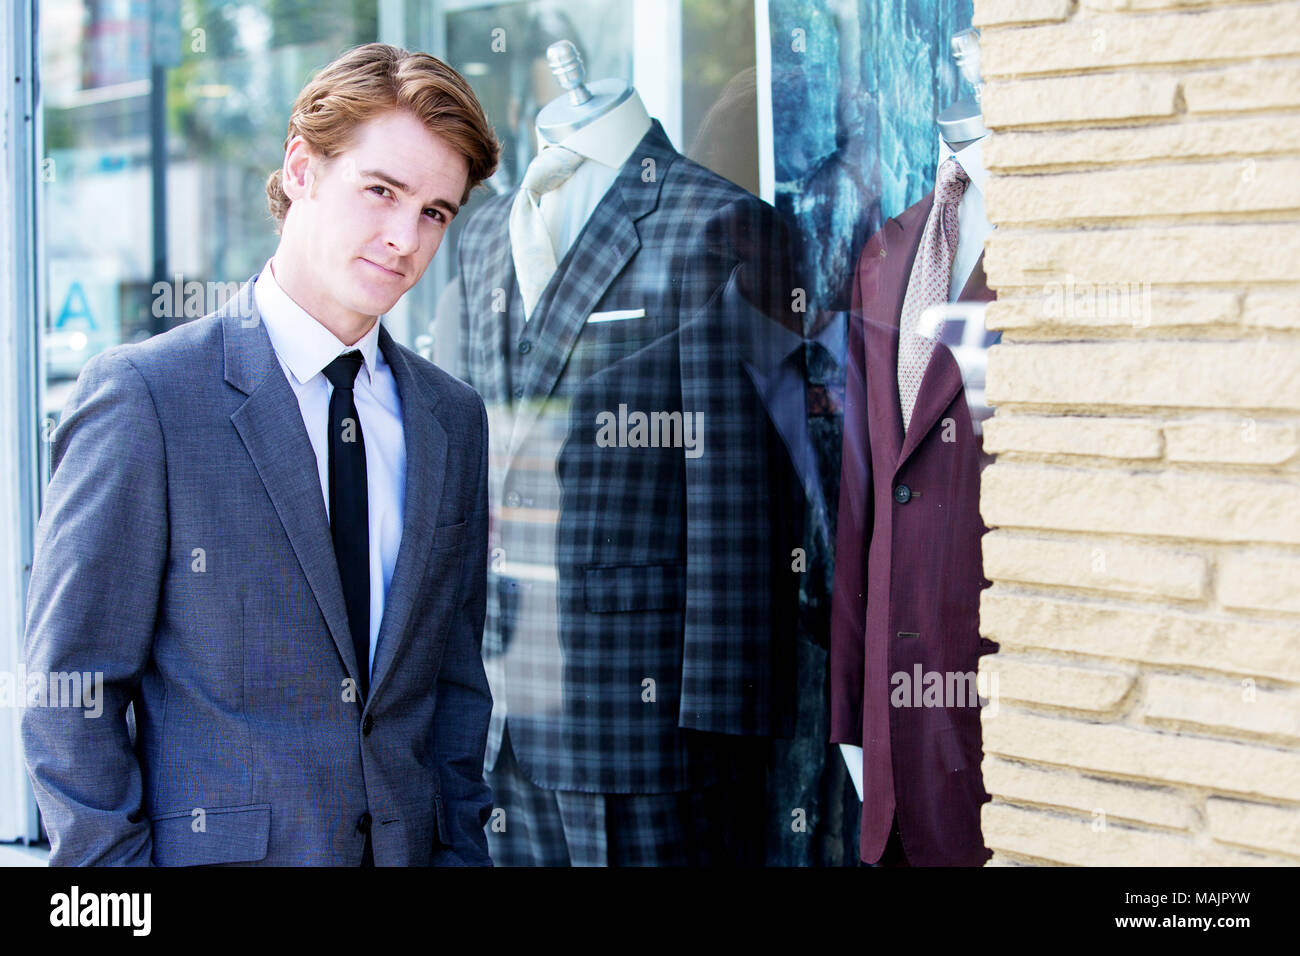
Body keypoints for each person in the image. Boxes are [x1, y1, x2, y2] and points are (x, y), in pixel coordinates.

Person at [21, 43, 500, 866]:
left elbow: (453, 691)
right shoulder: (147, 399)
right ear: (302, 168)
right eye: (381, 191)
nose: (403, 238)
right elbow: (69, 696)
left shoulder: (451, 419)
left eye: (434, 212)